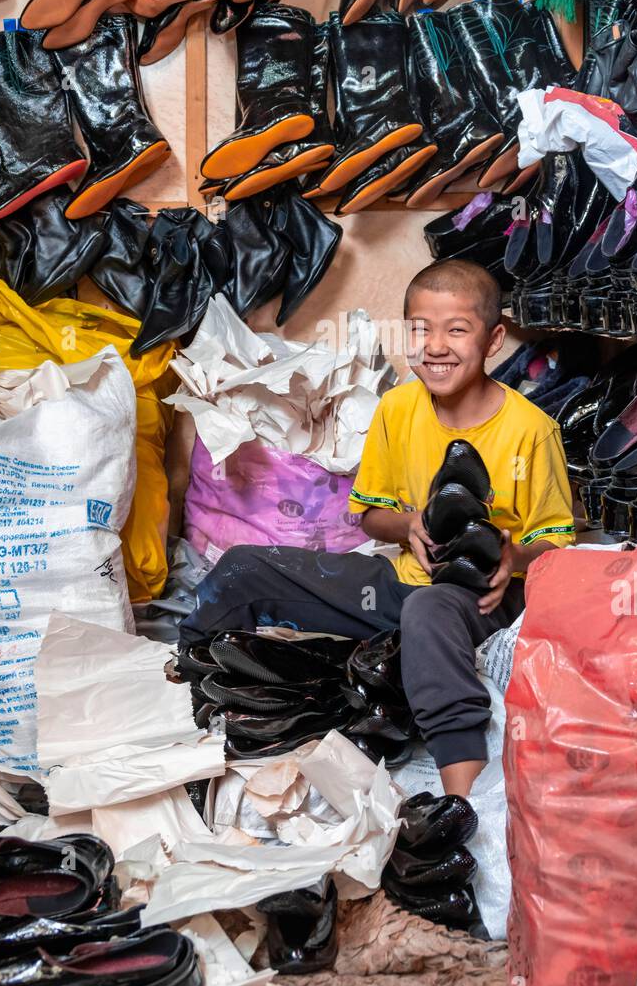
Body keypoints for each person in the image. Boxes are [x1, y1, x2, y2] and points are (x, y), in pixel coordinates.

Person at [187, 258, 575, 797]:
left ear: (493, 341)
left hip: (483, 601)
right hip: (400, 585)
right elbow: (370, 514)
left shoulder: (532, 431)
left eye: (457, 329)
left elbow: (556, 544)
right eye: (420, 329)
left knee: (429, 609)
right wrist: (410, 525)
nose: (435, 346)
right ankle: (185, 678)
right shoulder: (397, 408)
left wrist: (513, 558)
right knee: (244, 566)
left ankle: (463, 797)